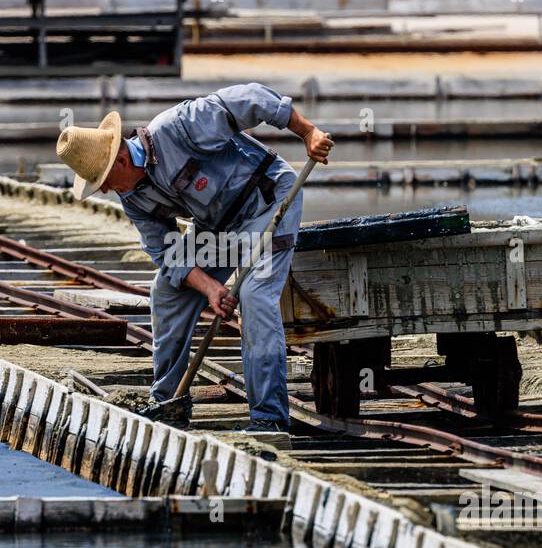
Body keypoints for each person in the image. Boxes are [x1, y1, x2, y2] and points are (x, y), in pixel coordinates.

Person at [55, 83, 333, 432]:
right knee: (167, 292)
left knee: (254, 296)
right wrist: (210, 287)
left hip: (266, 201)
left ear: (122, 160)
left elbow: (252, 99)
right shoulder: (132, 198)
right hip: (216, 227)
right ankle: (168, 403)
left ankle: (269, 418)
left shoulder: (178, 127)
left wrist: (307, 132)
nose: (106, 191)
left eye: (105, 181)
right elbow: (166, 251)